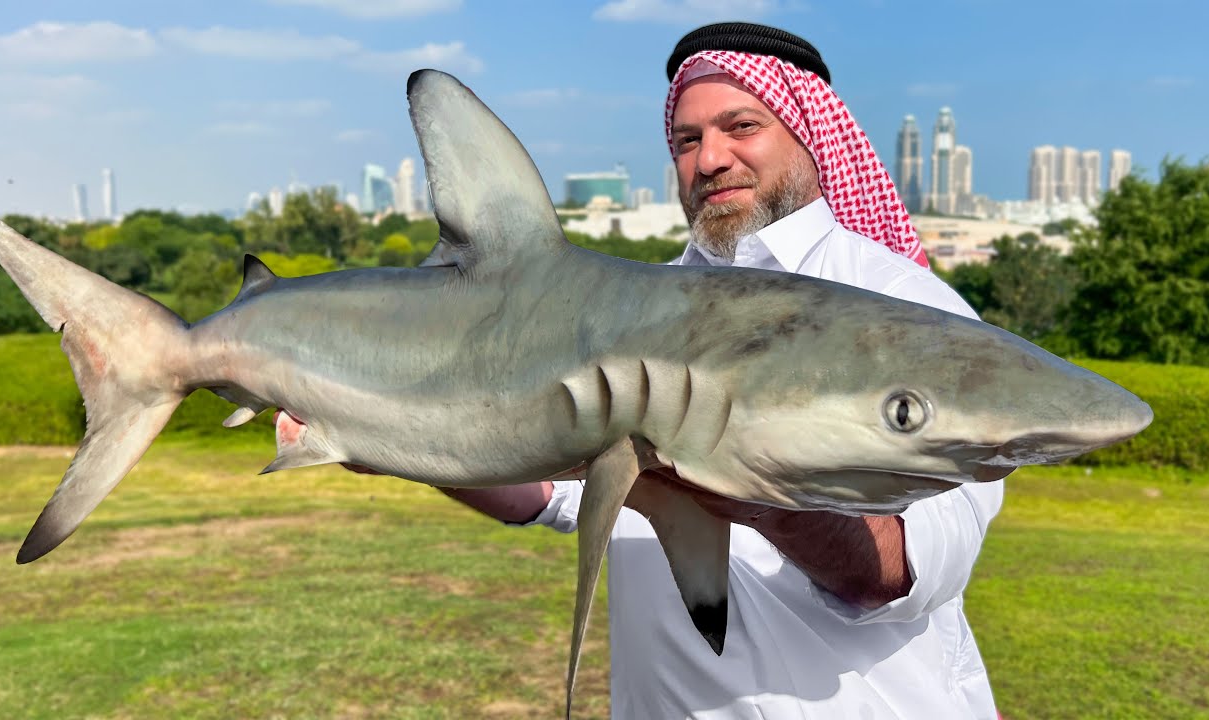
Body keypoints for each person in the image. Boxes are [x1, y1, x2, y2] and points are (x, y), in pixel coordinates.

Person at [425, 23, 1002, 719]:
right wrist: (402, 439)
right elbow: (560, 489)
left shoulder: (908, 310)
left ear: (809, 130)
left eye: (741, 126)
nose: (711, 159)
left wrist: (754, 493)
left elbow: (902, 570)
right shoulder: (630, 309)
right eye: (686, 141)